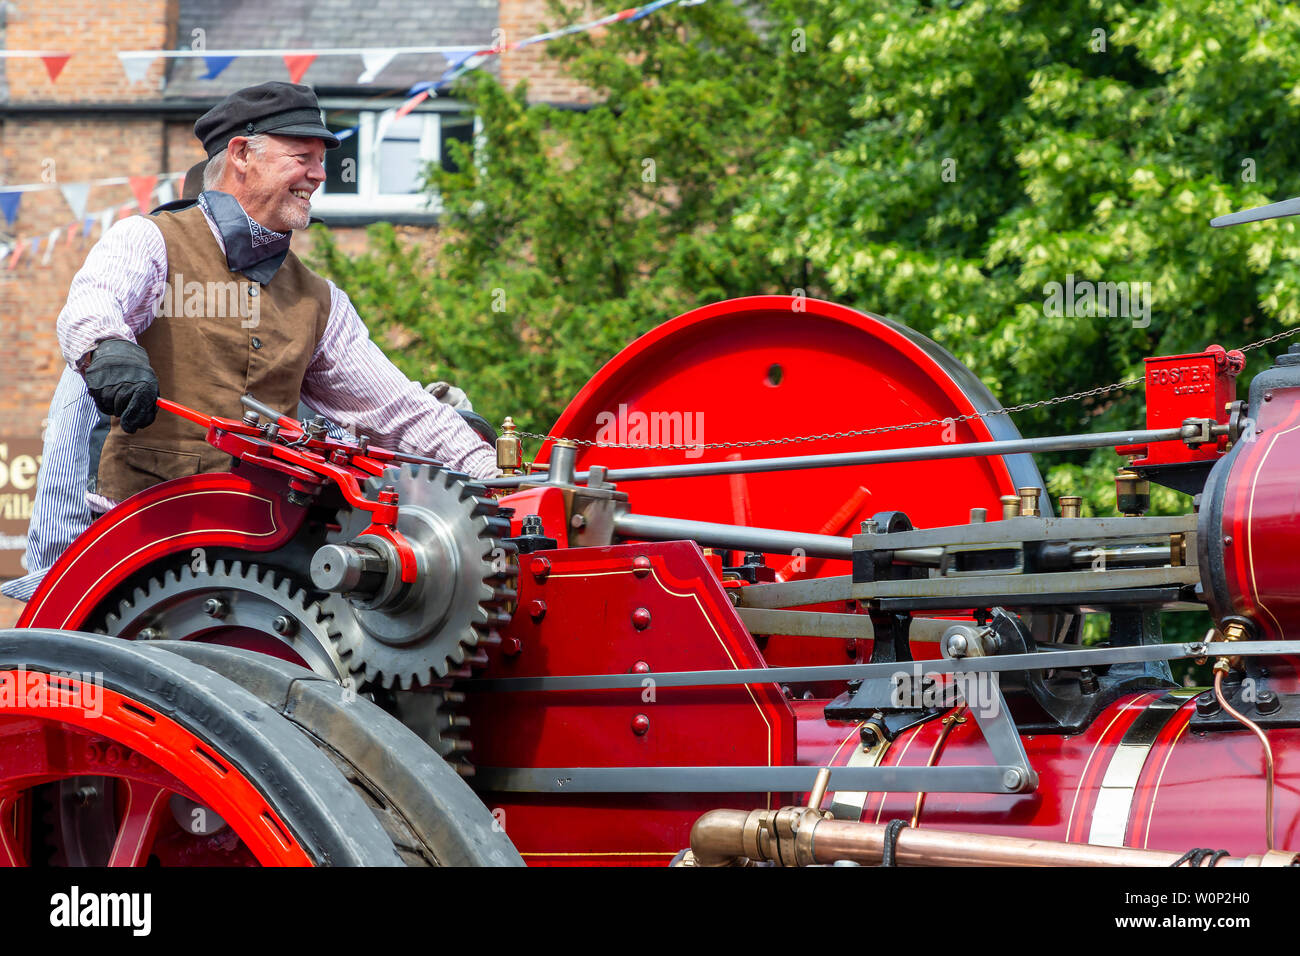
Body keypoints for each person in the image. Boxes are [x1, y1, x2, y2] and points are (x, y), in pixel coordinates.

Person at [58, 80, 496, 510]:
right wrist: (109, 349)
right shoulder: (149, 239)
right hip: (145, 532)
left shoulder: (322, 300)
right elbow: (94, 304)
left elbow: (397, 411)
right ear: (242, 154)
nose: (320, 175)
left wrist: (496, 476)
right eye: (303, 157)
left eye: (321, 161)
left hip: (263, 538)